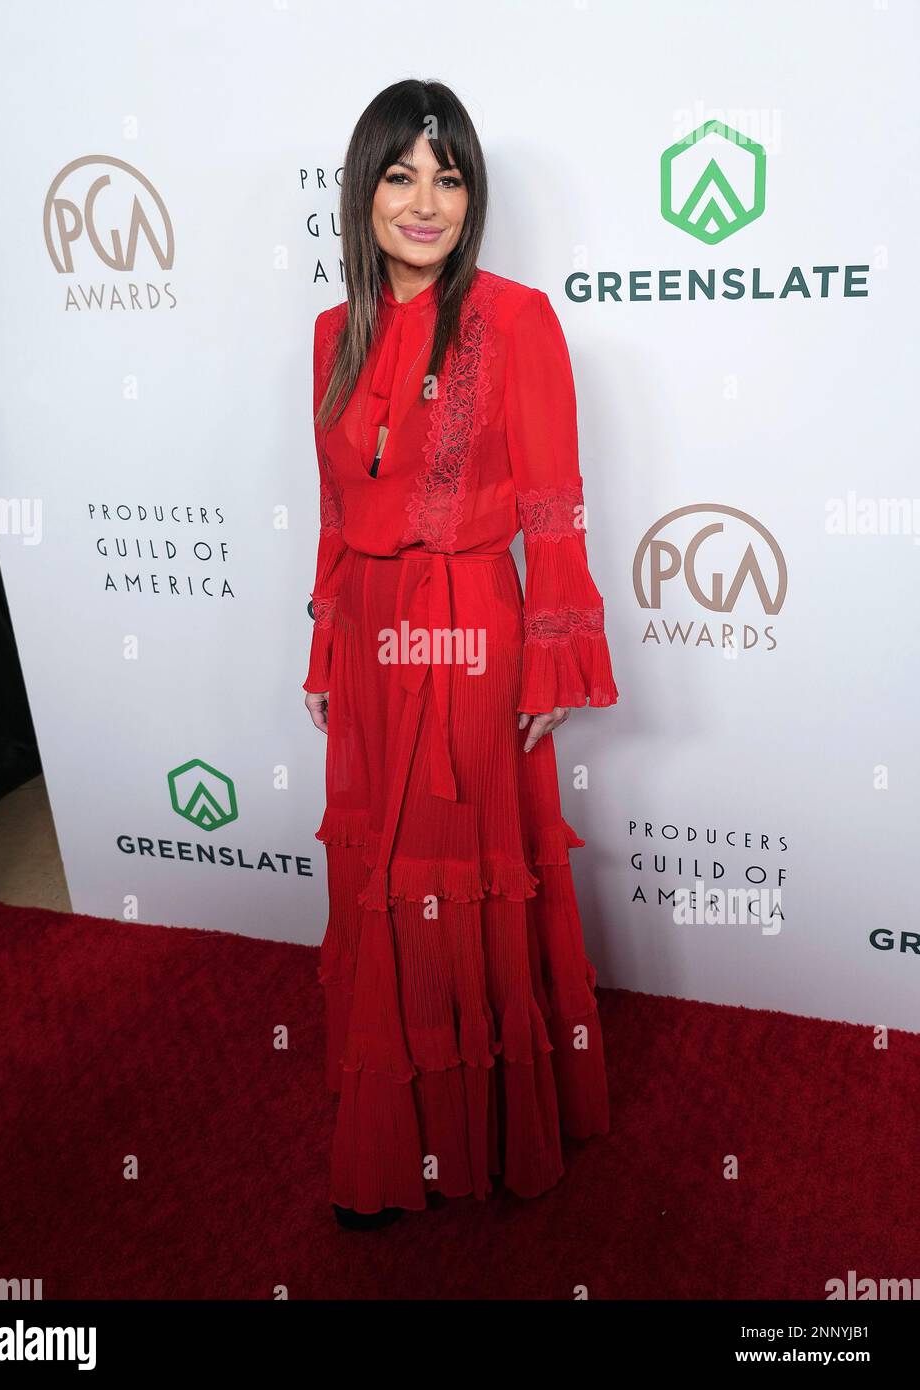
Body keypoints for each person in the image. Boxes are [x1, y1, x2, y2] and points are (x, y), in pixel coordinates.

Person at [303, 78, 619, 1230]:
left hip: (474, 637)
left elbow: (554, 505)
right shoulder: (335, 334)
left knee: (452, 880)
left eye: (449, 176)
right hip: (374, 649)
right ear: (365, 191)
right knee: (383, 884)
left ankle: (469, 1136)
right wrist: (325, 640)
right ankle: (398, 1128)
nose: (426, 201)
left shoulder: (519, 319)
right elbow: (337, 510)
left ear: (472, 194)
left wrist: (553, 658)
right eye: (401, 175)